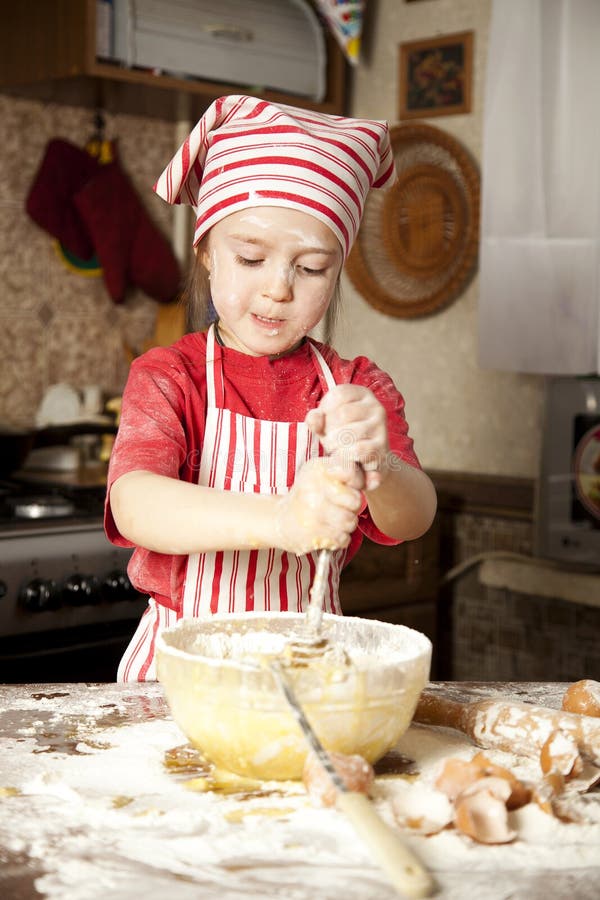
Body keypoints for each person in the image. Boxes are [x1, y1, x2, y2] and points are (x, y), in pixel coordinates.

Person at [106, 94, 437, 682]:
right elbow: (135, 505)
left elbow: (412, 519)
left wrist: (378, 460)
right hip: (178, 674)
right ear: (206, 250)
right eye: (251, 257)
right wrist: (282, 519)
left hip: (309, 669)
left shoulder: (355, 387)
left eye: (311, 268)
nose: (279, 288)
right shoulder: (170, 376)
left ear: (336, 272)